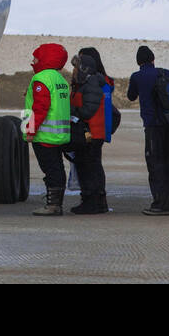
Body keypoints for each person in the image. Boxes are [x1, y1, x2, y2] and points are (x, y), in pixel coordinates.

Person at [127, 45, 169, 216]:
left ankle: (160, 204)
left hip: (152, 126)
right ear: (153, 59)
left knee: (156, 165)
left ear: (138, 62)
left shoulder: (137, 77)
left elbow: (131, 96)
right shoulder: (165, 73)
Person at [23, 42, 72, 216]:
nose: (33, 60)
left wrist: (30, 131)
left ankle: (53, 205)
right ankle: (56, 204)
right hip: (59, 135)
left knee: (51, 170)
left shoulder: (41, 78)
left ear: (45, 59)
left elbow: (40, 108)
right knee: (57, 169)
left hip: (45, 136)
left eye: (36, 57)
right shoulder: (61, 80)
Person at [68, 47, 113, 215]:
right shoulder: (88, 83)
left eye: (76, 67)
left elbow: (87, 110)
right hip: (92, 133)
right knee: (91, 166)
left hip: (90, 134)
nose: (73, 70)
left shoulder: (91, 84)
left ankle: (91, 202)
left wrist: (71, 112)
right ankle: (97, 201)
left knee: (88, 167)